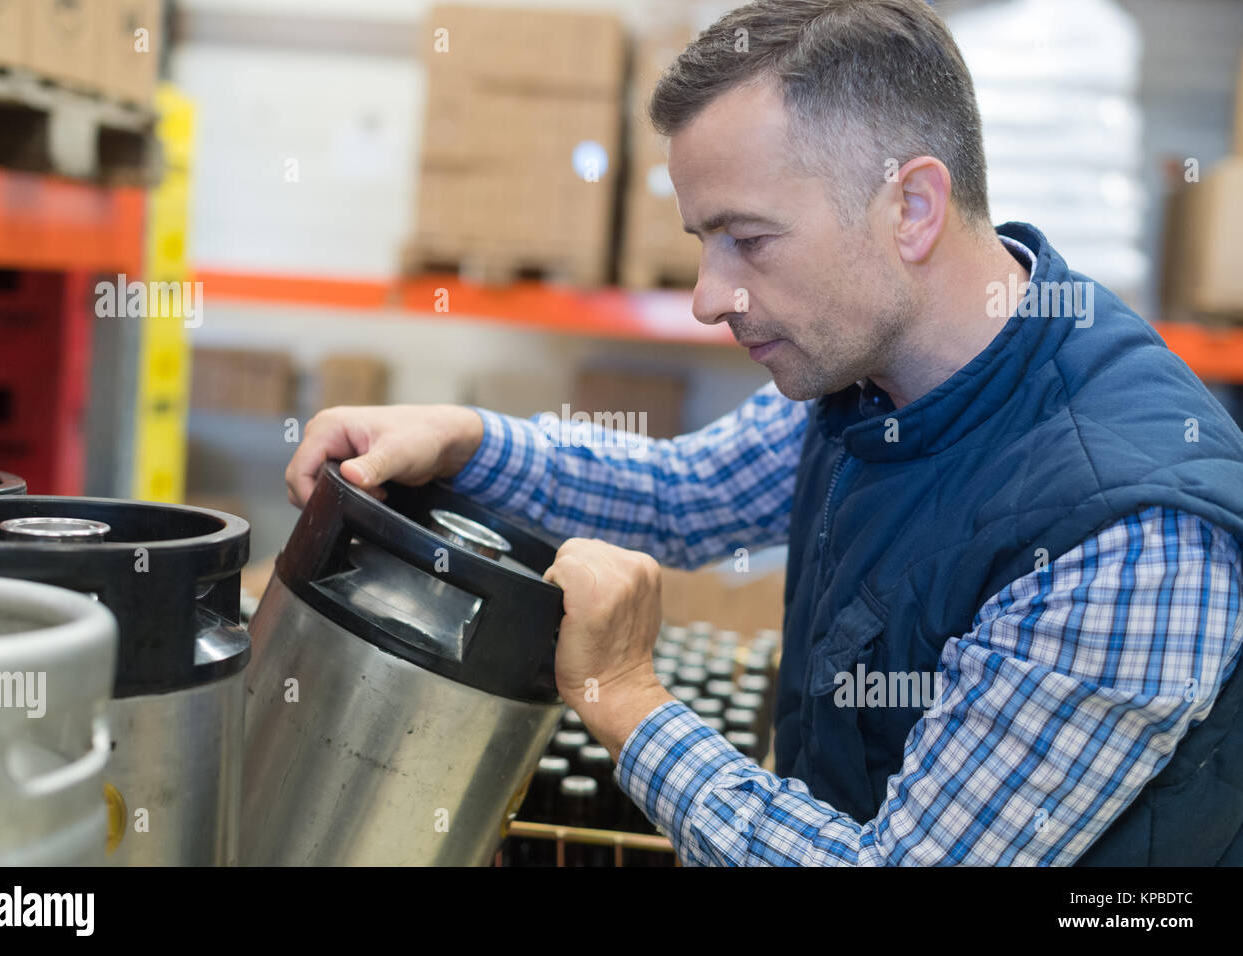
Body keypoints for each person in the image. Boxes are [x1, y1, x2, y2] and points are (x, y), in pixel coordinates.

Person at [285, 0, 1243, 865]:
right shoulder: (885, 368)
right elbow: (689, 494)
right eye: (703, 242)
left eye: (749, 239)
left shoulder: (1128, 538)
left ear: (911, 207)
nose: (709, 298)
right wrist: (464, 440)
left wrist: (626, 695)